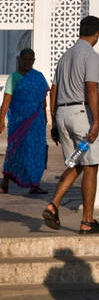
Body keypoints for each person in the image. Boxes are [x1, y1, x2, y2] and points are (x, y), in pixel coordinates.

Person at [43, 15, 99, 234]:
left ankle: (53, 204)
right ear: (97, 34)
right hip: (82, 115)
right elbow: (91, 87)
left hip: (62, 112)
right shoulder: (91, 55)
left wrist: (54, 121)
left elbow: (54, 90)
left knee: (76, 162)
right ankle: (87, 221)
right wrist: (96, 120)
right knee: (91, 166)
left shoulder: (65, 56)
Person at [0, 49, 49, 194]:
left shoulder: (38, 77)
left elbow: (43, 100)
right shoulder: (13, 78)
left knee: (36, 152)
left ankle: (35, 185)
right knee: (15, 151)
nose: (28, 62)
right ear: (19, 59)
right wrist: (1, 119)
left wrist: (46, 118)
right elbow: (6, 100)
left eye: (30, 59)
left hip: (37, 122)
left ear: (34, 60)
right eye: (25, 59)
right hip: (18, 122)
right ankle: (5, 183)